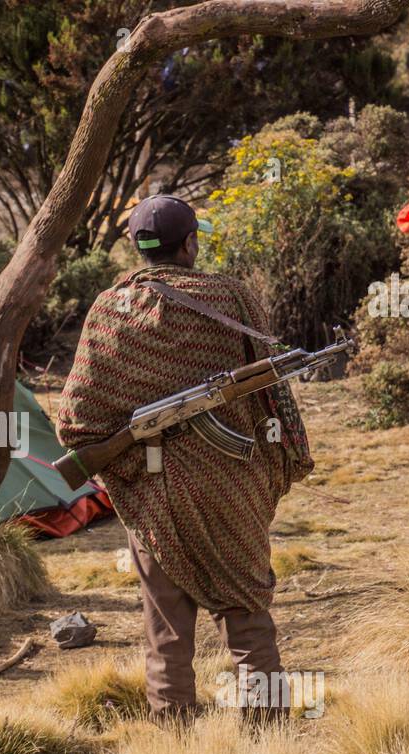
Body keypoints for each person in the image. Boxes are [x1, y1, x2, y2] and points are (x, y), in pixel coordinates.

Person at [56, 195, 312, 723]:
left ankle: (173, 746)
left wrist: (132, 460)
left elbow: (75, 420)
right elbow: (271, 398)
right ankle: (269, 742)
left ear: (136, 247)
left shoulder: (109, 308)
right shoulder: (230, 297)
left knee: (166, 632)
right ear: (191, 243)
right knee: (247, 619)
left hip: (152, 495)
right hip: (231, 488)